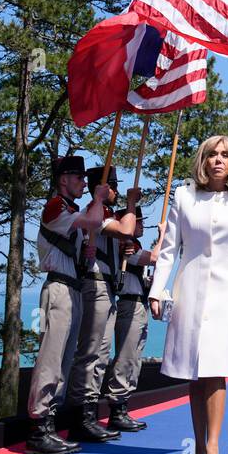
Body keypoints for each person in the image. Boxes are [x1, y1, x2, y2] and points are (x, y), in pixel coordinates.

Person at [148, 135, 228, 454]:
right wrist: (157, 291)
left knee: (218, 372)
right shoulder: (182, 196)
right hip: (189, 291)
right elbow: (168, 251)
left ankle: (212, 452)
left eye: (225, 155)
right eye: (212, 154)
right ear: (203, 160)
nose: (218, 160)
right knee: (195, 374)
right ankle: (196, 451)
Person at [26, 154, 109, 454]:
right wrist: (98, 198)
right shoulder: (55, 206)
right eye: (78, 178)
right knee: (51, 358)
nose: (83, 183)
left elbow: (88, 233)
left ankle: (49, 423)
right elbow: (95, 219)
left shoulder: (70, 210)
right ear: (63, 180)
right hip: (59, 287)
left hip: (71, 287)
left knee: (63, 360)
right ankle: (37, 427)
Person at [62, 163, 134, 444]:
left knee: (100, 354)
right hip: (95, 282)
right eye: (111, 185)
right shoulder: (98, 210)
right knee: (91, 352)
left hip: (106, 285)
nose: (114, 190)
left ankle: (89, 413)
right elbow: (127, 229)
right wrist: (130, 204)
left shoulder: (101, 212)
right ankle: (80, 414)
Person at [100, 176, 160, 433]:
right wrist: (163, 237)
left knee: (132, 357)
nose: (141, 225)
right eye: (138, 221)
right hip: (128, 303)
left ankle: (121, 406)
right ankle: (117, 408)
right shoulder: (126, 244)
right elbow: (154, 257)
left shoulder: (131, 244)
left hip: (136, 303)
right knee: (126, 356)